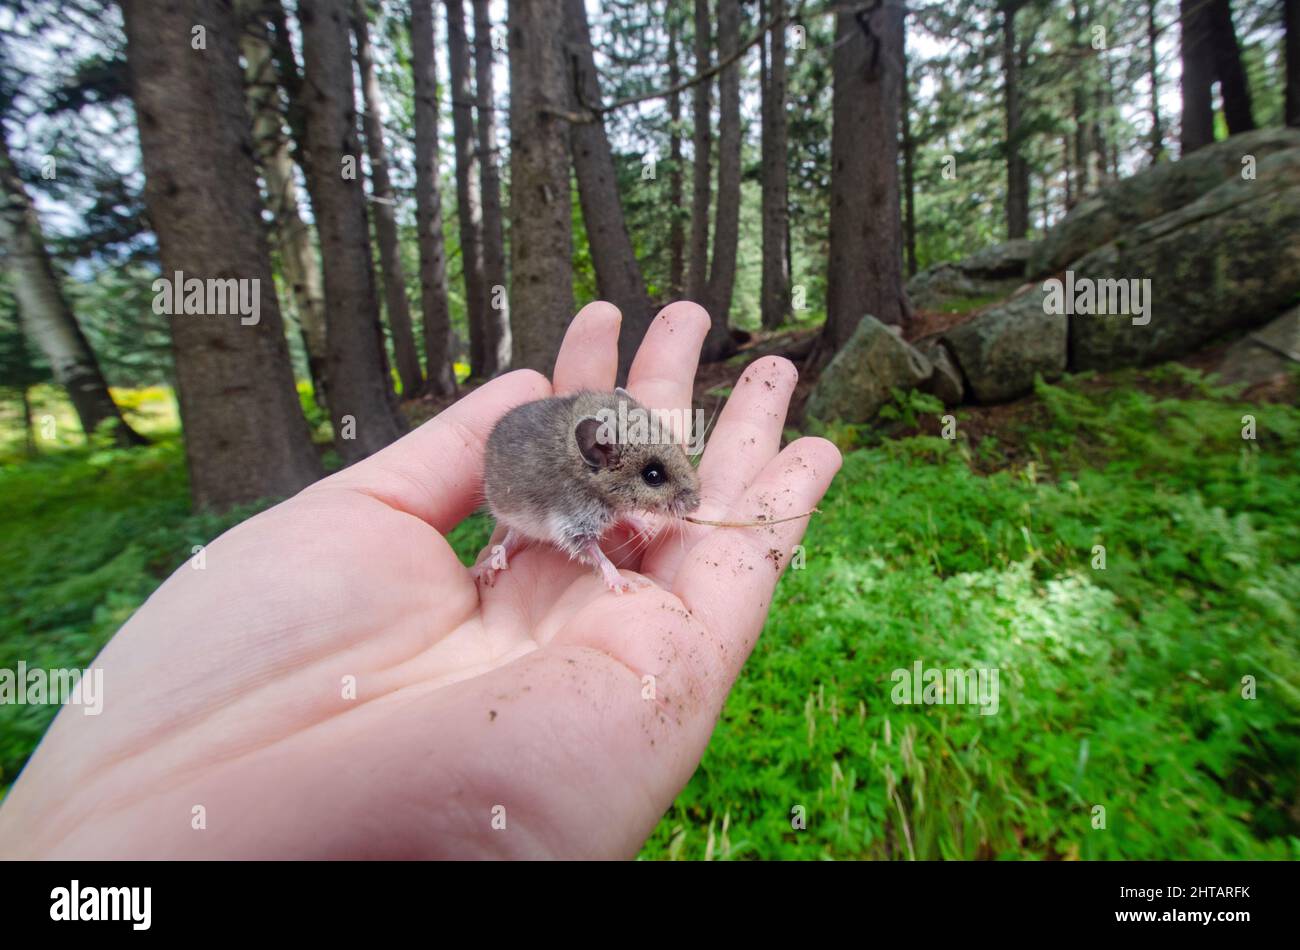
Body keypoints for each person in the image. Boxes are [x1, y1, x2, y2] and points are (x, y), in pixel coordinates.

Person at [0, 301, 840, 858]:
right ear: (600, 459)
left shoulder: (609, 442)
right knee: (536, 528)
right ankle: (503, 545)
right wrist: (607, 574)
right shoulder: (576, 488)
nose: (673, 491)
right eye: (656, 478)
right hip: (535, 500)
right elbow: (580, 531)